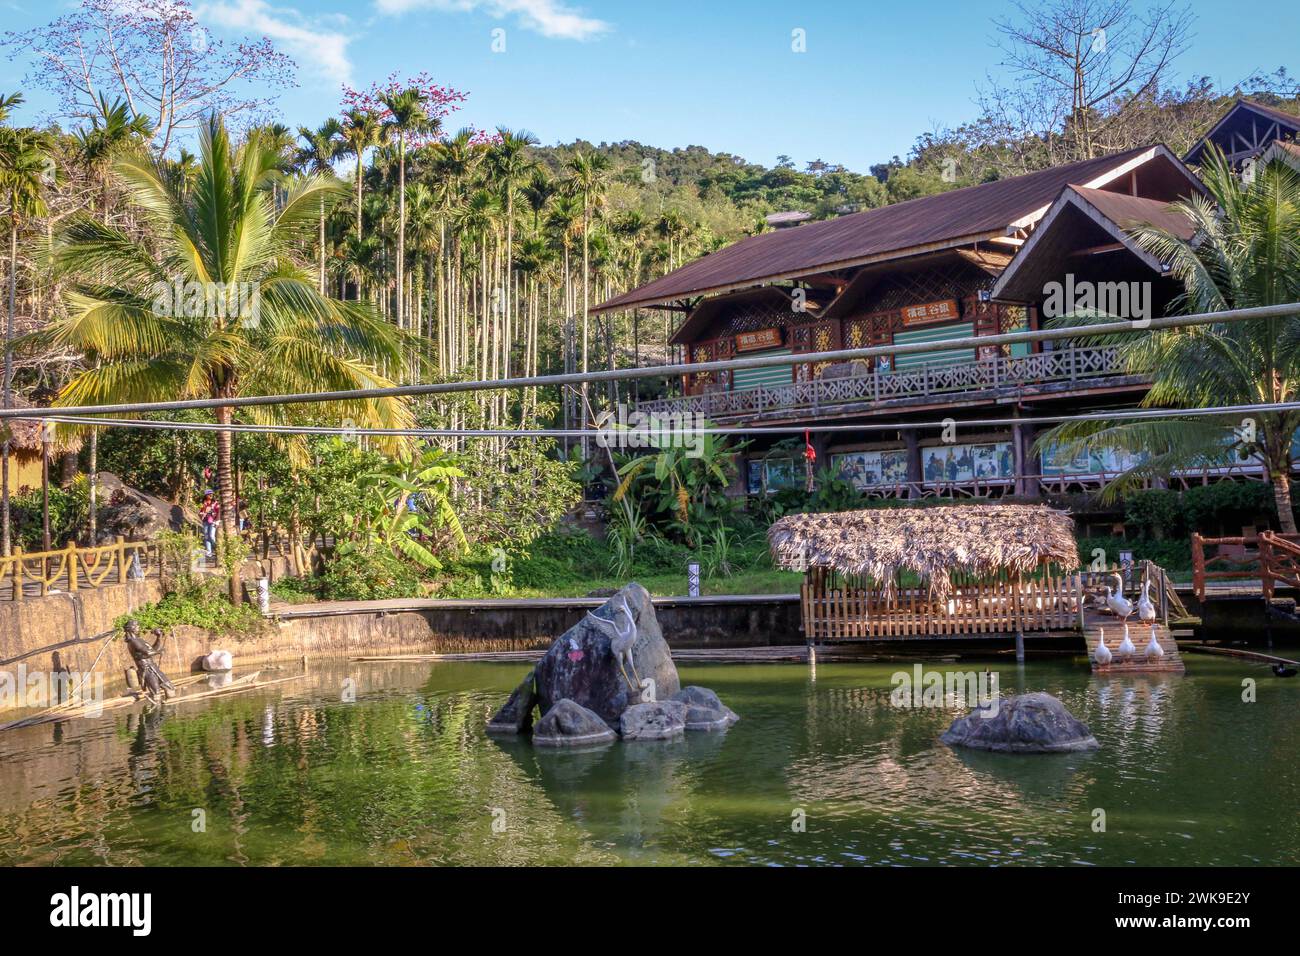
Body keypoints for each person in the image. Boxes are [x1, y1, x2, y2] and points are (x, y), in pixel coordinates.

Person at [200, 490, 220, 559]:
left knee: (211, 536)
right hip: (205, 521)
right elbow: (201, 511)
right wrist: (201, 514)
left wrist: (217, 521)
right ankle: (209, 552)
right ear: (206, 495)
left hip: (213, 521)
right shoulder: (203, 503)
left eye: (212, 494)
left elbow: (219, 512)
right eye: (209, 494)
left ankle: (218, 548)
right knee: (206, 536)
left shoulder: (215, 503)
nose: (211, 495)